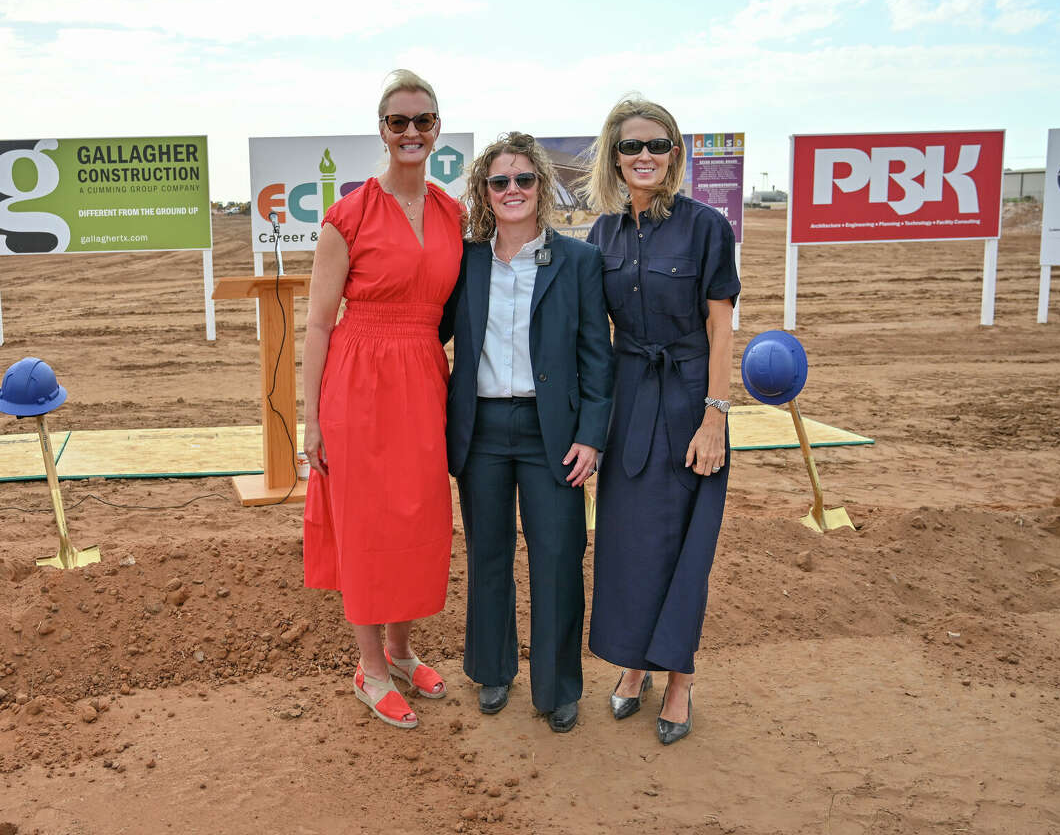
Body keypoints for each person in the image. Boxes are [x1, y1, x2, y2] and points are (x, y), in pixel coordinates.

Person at [302, 70, 464, 729]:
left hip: (425, 377)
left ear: (436, 131)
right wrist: (312, 416)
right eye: (399, 122)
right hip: (359, 382)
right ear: (382, 129)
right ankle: (369, 670)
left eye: (423, 121)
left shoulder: (452, 213)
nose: (411, 132)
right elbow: (317, 321)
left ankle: (400, 652)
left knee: (419, 520)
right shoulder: (349, 215)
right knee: (367, 525)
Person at [582, 96, 739, 745]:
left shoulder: (707, 227)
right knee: (627, 547)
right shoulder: (602, 234)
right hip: (628, 406)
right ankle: (632, 666)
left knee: (683, 551)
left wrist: (716, 418)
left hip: (689, 404)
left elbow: (721, 329)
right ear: (613, 158)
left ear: (675, 153)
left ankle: (678, 678)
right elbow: (592, 334)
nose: (642, 156)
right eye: (630, 146)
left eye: (656, 144)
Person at [443, 133, 613, 733]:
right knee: (489, 555)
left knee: (559, 558)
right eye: (499, 181)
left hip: (556, 435)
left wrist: (592, 435)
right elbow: (424, 329)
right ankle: (492, 671)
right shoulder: (464, 261)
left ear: (541, 186)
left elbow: (598, 356)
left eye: (523, 179)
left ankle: (559, 685)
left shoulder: (579, 260)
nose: (512, 190)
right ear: (484, 193)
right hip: (482, 431)